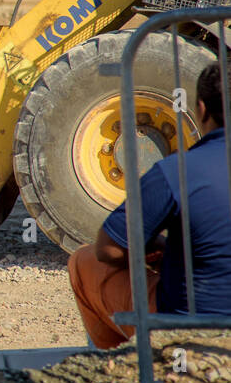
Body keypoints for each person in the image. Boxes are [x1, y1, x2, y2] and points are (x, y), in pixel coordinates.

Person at [70, 63, 231, 348]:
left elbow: (109, 249)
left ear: (203, 110)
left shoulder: (177, 171)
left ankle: (120, 369)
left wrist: (155, 248)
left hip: (188, 334)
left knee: (84, 262)